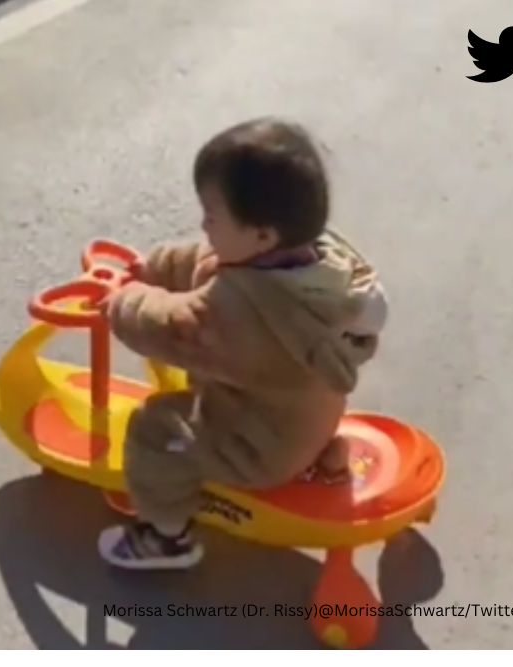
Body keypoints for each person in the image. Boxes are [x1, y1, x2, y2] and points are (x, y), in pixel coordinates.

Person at [97, 118, 388, 569]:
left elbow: (172, 326)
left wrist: (122, 300)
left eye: (212, 216)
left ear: (261, 236)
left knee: (155, 431)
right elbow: (208, 262)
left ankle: (167, 536)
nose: (203, 224)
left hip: (257, 446)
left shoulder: (240, 317)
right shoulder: (320, 263)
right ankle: (318, 454)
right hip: (306, 421)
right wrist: (151, 268)